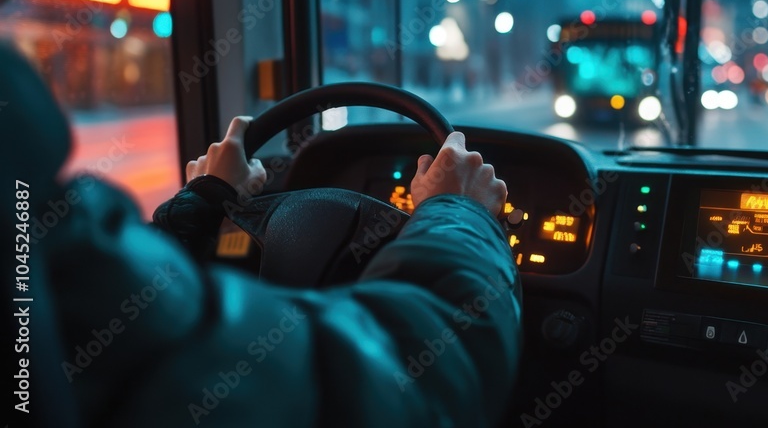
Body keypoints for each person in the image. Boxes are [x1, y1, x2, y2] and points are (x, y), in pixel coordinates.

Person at [1, 41, 521, 427]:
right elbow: (412, 378)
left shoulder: (28, 251)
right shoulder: (36, 247)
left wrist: (206, 200)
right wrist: (460, 211)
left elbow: (144, 306)